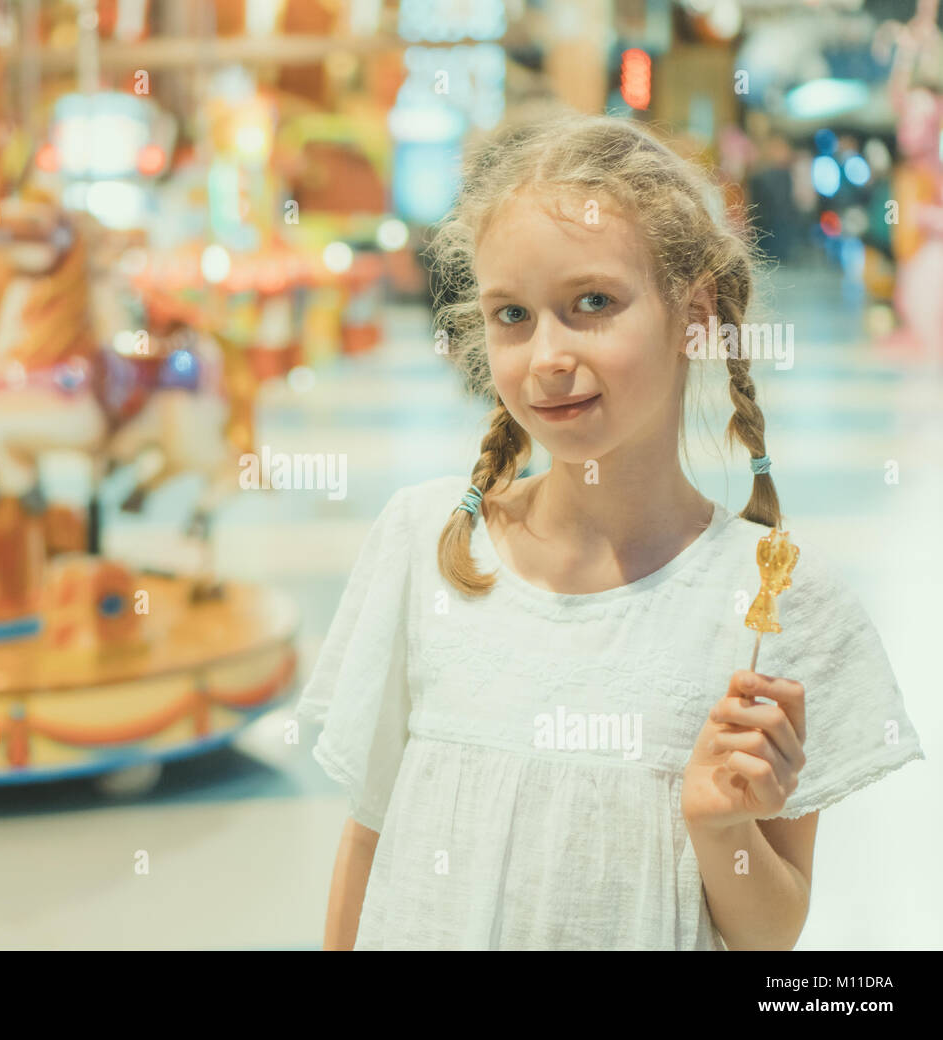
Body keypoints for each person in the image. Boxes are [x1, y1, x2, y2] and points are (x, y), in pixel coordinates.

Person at [295, 114, 925, 951]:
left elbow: (770, 936)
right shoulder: (429, 549)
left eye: (593, 303)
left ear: (693, 316)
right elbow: (369, 840)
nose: (547, 354)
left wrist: (722, 829)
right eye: (513, 314)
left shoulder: (776, 608)